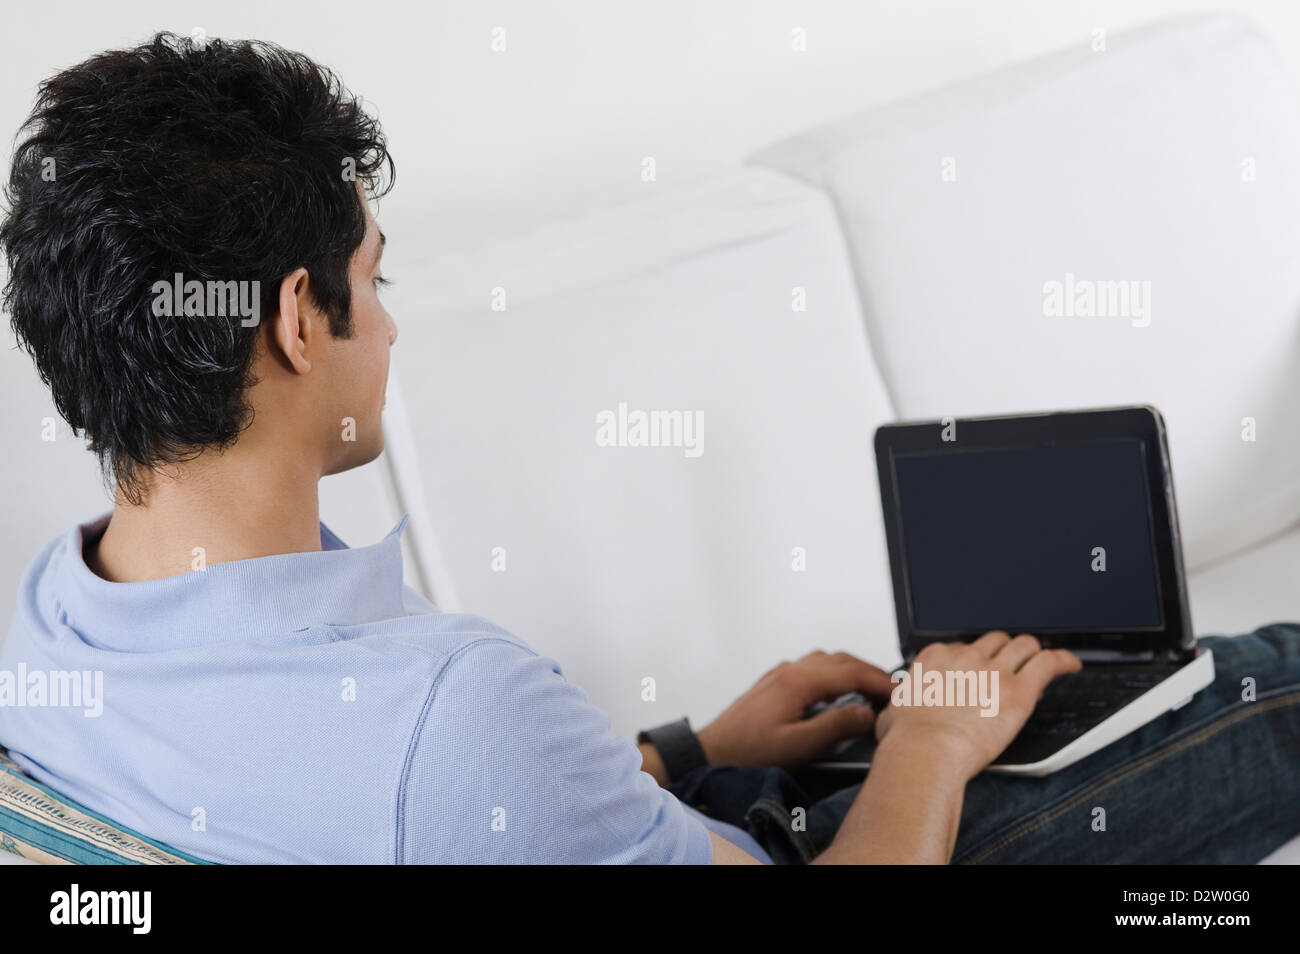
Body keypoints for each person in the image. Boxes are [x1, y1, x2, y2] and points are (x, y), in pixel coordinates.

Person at [2, 33, 1296, 865]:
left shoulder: (57, 625)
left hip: (681, 814)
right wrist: (930, 746)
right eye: (371, 282)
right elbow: (446, 777)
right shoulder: (454, 709)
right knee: (1270, 689)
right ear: (296, 320)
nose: (386, 329)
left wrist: (689, 747)